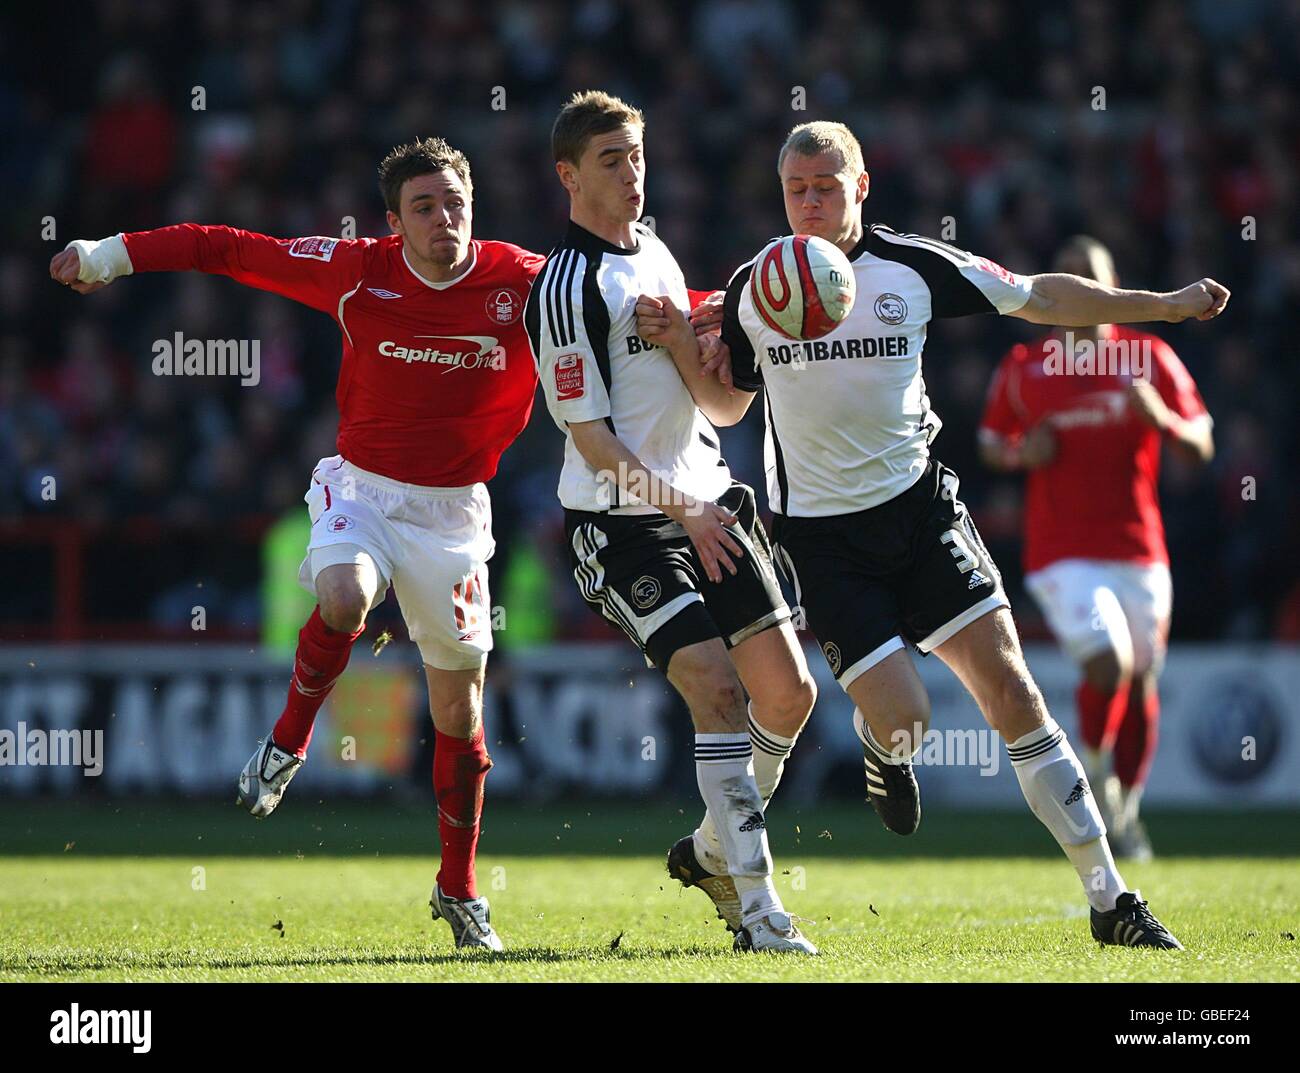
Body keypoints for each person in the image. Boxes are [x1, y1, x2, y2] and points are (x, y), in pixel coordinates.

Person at [701, 120, 1229, 949]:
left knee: (1015, 694)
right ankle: (888, 747)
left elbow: (1040, 295)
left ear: (861, 186)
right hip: (824, 542)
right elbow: (727, 398)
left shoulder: (914, 266)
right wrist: (683, 350)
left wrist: (1158, 307)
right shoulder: (752, 288)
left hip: (922, 514)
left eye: (826, 186)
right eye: (796, 189)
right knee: (907, 720)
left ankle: (1111, 897)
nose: (810, 202)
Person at [50, 137, 545, 952]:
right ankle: (289, 737)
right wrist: (111, 254)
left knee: (460, 713)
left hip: (456, 514)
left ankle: (458, 890)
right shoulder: (357, 269)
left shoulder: (525, 281)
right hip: (363, 489)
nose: (443, 218)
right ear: (394, 221)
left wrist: (725, 316)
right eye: (424, 206)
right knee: (344, 596)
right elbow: (231, 249)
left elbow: (635, 297)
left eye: (455, 201)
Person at [525, 91, 819, 953]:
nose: (631, 173)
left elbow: (725, 410)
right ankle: (762, 910)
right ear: (569, 175)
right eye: (611, 159)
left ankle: (708, 850)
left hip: (710, 499)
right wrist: (682, 509)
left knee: (791, 695)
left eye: (638, 155)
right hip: (623, 525)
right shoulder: (564, 288)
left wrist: (692, 350)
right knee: (717, 691)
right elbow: (588, 437)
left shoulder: (656, 254)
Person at [978, 235, 1214, 861]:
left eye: (1094, 278)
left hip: (1139, 548)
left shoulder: (1150, 357)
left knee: (1141, 680)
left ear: (1114, 291)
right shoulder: (1026, 365)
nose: (1082, 290)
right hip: (1061, 552)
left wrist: (1162, 419)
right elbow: (989, 443)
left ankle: (1126, 809)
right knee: (1106, 664)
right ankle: (1093, 770)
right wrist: (1020, 453)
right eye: (1071, 279)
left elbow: (1202, 445)